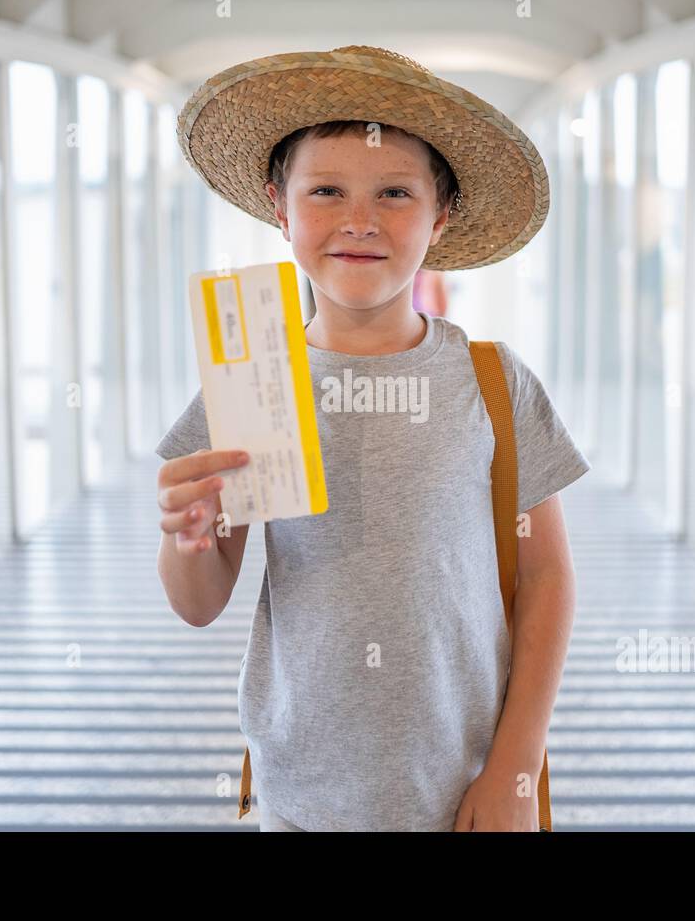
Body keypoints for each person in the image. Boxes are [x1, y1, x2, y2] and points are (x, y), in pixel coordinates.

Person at [155, 45, 589, 832]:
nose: (360, 220)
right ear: (278, 207)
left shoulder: (493, 382)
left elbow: (548, 578)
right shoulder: (252, 379)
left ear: (441, 213)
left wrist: (517, 769)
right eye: (326, 190)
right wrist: (188, 540)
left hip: (466, 792)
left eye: (395, 192)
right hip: (295, 797)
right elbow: (200, 601)